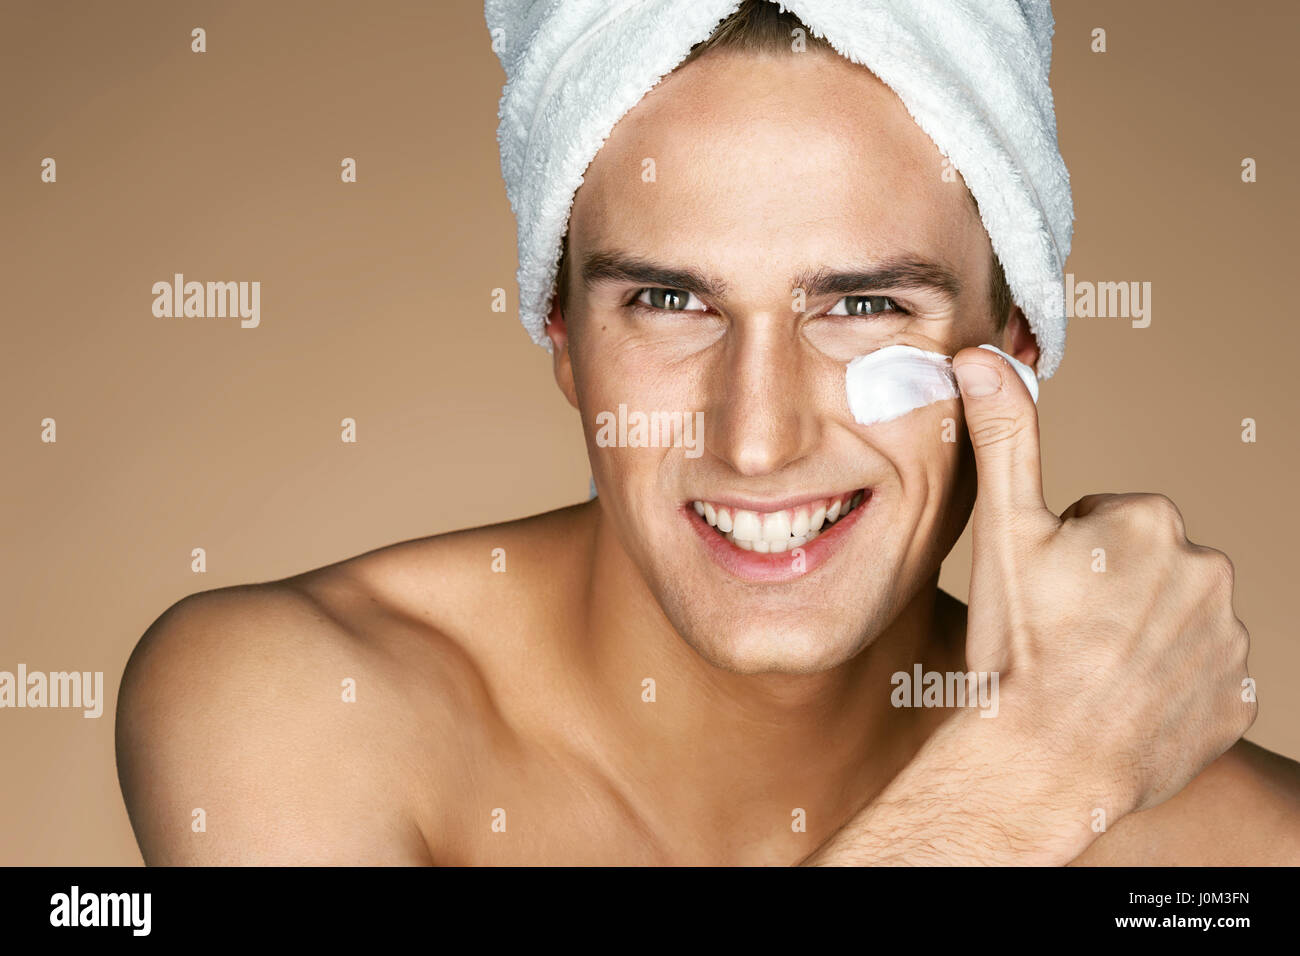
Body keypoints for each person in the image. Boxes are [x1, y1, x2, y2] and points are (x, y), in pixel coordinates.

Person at [116, 0, 1299, 865]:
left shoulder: (1236, 850)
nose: (757, 437)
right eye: (672, 302)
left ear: (1015, 343)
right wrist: (1020, 786)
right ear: (564, 337)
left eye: (861, 304)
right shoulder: (296, 703)